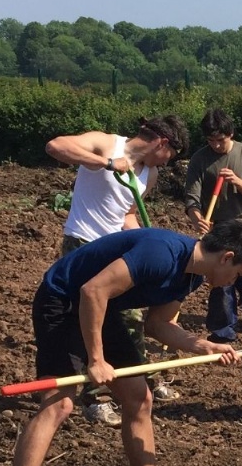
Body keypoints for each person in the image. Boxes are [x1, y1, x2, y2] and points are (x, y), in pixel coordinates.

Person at [0, 222, 242, 466]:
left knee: (140, 397)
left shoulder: (190, 277)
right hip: (62, 301)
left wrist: (205, 346)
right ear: (226, 257)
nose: (234, 282)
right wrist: (96, 359)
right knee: (59, 403)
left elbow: (157, 325)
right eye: (238, 274)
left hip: (103, 309)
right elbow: (91, 291)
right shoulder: (161, 253)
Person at [47, 115, 189, 425]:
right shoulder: (106, 142)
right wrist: (107, 163)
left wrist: (147, 244)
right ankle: (94, 396)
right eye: (170, 156)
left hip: (114, 251)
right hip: (83, 245)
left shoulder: (148, 175)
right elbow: (56, 146)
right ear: (163, 144)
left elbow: (127, 216)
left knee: (131, 318)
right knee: (88, 322)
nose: (167, 163)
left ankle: (140, 379)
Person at [183, 108, 242, 344]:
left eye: (220, 140)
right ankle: (222, 333)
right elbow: (191, 197)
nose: (216, 145)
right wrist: (197, 217)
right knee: (220, 283)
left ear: (230, 134)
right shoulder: (200, 159)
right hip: (219, 228)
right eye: (211, 141)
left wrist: (237, 181)